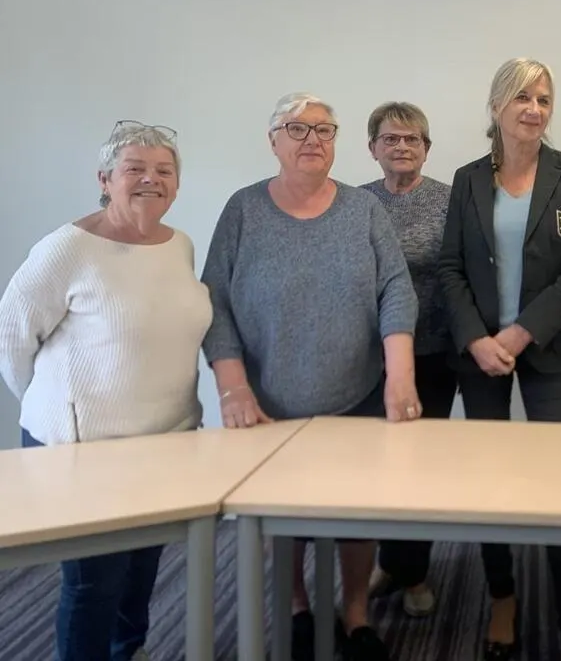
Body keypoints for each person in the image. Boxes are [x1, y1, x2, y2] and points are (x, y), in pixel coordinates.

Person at [201, 92, 420, 661]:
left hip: (358, 392)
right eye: (297, 129)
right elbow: (214, 303)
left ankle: (354, 612)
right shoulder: (243, 210)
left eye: (324, 130)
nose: (312, 140)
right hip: (268, 401)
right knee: (282, 516)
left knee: (356, 511)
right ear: (272, 141)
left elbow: (395, 287)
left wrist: (400, 374)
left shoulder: (362, 209)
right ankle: (298, 607)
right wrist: (233, 387)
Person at [0, 120, 212, 661]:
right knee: (95, 581)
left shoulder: (178, 245)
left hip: (166, 439)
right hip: (85, 451)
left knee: (142, 572)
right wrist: (52, 407)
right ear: (105, 178)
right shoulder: (66, 248)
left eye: (164, 171)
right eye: (134, 168)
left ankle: (128, 650)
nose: (150, 179)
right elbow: (12, 339)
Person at [437, 58, 561, 661]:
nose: (534, 108)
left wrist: (522, 333)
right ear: (497, 106)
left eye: (544, 99)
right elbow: (451, 269)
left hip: (550, 350)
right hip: (480, 354)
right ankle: (502, 595)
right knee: (490, 482)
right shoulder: (467, 179)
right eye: (522, 98)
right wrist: (479, 339)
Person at [361, 101, 456, 618]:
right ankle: (386, 561)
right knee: (377, 466)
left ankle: (413, 571)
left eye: (412, 139)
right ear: (372, 147)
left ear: (426, 148)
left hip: (434, 352)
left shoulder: (449, 200)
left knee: (419, 467)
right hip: (370, 357)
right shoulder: (354, 203)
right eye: (391, 138)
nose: (402, 147)